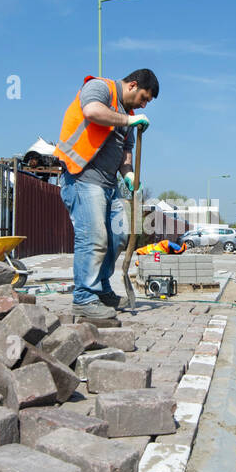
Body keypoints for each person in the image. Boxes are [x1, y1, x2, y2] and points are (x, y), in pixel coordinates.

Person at [53, 69, 158, 319]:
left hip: (109, 184)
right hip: (82, 177)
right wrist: (128, 121)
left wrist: (129, 175)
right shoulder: (100, 88)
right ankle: (84, 297)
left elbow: (126, 152)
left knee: (118, 235)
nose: (144, 104)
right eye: (144, 98)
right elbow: (92, 112)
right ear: (132, 85)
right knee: (94, 237)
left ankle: (100, 289)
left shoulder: (128, 116)